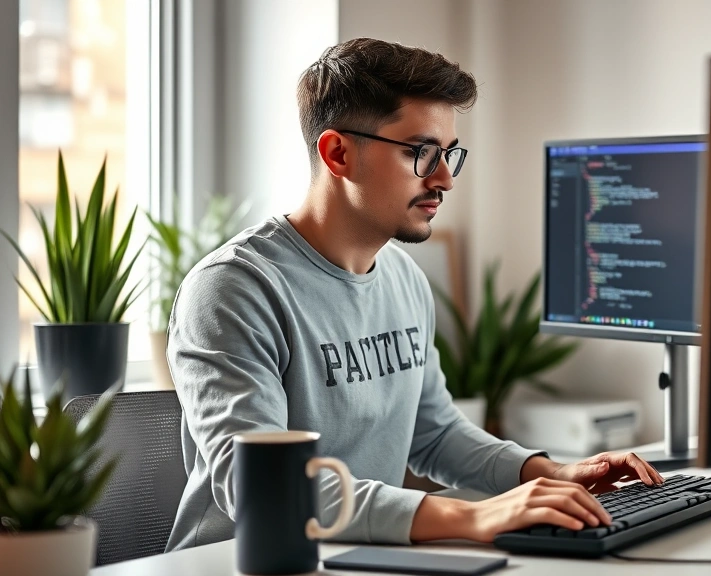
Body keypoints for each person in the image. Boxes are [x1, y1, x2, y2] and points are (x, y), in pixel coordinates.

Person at [165, 37, 663, 551]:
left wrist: (551, 472)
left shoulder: (404, 278)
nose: (445, 178)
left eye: (449, 154)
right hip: (230, 562)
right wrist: (469, 517)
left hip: (359, 557)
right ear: (338, 153)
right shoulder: (233, 288)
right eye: (422, 153)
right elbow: (263, 489)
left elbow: (435, 433)